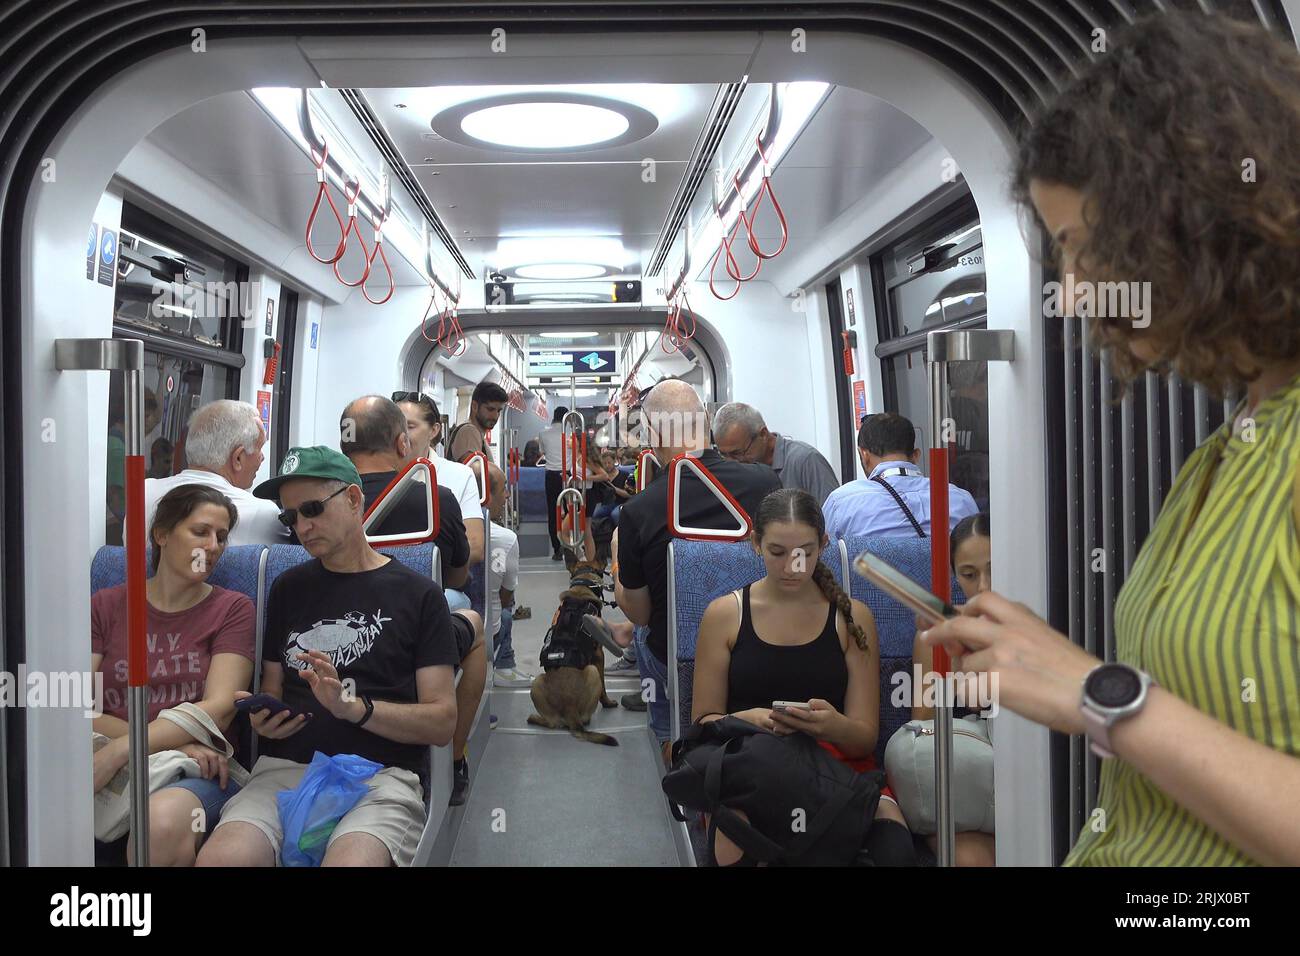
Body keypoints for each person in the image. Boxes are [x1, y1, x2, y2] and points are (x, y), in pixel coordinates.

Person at [921, 12, 1300, 867]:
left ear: (1204, 223)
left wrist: (1102, 697)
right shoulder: (1224, 452)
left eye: (1089, 251)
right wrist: (1055, 662)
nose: (1077, 294)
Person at [196, 447, 478, 868]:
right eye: (290, 517)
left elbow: (441, 721)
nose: (303, 527)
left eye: (312, 509)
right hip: (285, 770)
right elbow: (274, 689)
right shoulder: (288, 589)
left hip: (379, 778)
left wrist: (355, 709)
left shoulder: (419, 595)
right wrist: (264, 717)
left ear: (352, 499)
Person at [691, 488, 914, 865]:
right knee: (733, 842)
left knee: (894, 850)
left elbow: (863, 738)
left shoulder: (853, 619)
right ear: (755, 544)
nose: (792, 565)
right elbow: (703, 724)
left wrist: (828, 725)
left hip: (835, 764)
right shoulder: (724, 616)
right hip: (751, 766)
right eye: (777, 552)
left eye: (805, 553)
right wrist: (750, 720)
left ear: (823, 546)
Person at [92, 484, 255, 865]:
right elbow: (76, 707)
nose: (213, 546)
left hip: (200, 769)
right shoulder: (107, 606)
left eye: (221, 537)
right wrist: (165, 745)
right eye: (200, 531)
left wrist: (125, 748)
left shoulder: (232, 609)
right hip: (162, 752)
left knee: (160, 823)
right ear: (161, 534)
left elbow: (219, 709)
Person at [614, 380, 782, 748]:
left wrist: (617, 563)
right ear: (706, 420)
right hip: (767, 647)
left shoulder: (638, 511)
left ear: (652, 435)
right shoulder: (766, 482)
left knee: (642, 633)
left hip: (680, 657)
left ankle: (668, 737)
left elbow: (640, 613)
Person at [910, 511, 995, 867]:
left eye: (995, 569)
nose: (985, 588)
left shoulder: (1039, 629)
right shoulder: (937, 639)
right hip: (964, 793)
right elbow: (926, 731)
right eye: (970, 575)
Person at [341, 395, 471, 590]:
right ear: (402, 444)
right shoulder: (437, 500)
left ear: (344, 445)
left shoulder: (318, 505)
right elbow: (456, 577)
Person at [144, 399, 288, 547]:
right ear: (237, 458)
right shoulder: (262, 514)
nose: (262, 457)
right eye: (260, 448)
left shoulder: (142, 493)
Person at [822, 412, 977, 541]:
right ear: (916, 455)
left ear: (864, 455)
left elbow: (826, 559)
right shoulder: (960, 499)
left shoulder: (841, 502)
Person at [393, 391, 485, 567]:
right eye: (393, 427)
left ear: (434, 430)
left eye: (409, 427)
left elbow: (475, 546)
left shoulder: (459, 475)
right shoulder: (376, 475)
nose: (399, 436)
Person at [713, 402, 841, 507]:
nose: (731, 462)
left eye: (737, 453)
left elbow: (834, 517)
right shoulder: (736, 470)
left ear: (763, 434)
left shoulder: (806, 460)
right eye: (723, 454)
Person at [484, 463, 529, 686]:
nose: (508, 495)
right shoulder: (505, 539)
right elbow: (505, 597)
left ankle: (505, 664)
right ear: (486, 495)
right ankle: (502, 665)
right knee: (505, 612)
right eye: (503, 489)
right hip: (486, 630)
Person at [106, 389, 161, 546]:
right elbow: (115, 498)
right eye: (146, 417)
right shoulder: (117, 450)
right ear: (131, 415)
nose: (149, 422)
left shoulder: (122, 442)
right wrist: (134, 527)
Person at [448, 380, 510, 462]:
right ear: (474, 406)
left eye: (499, 411)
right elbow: (474, 466)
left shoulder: (478, 435)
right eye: (490, 409)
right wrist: (499, 474)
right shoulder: (469, 431)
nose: (495, 416)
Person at [539, 407, 568, 560]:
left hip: (552, 475)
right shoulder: (572, 435)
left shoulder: (544, 434)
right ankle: (572, 544)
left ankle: (557, 549)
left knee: (553, 511)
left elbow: (543, 452)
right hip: (570, 474)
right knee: (572, 511)